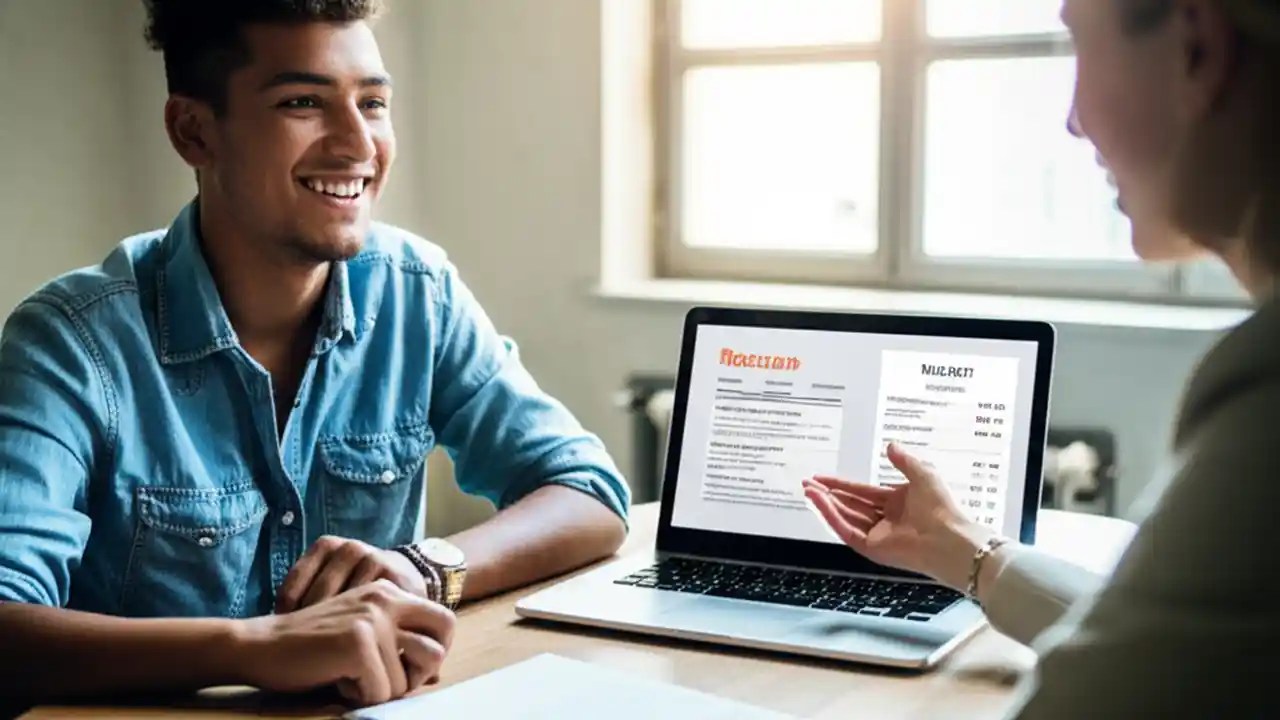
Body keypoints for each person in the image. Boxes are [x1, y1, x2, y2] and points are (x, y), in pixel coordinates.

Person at [0, 0, 630, 711]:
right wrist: (257, 646)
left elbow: (588, 493)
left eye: (373, 102)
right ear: (193, 131)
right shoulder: (70, 343)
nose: (357, 143)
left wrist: (419, 569)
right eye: (303, 102)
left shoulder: (415, 292)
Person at [803, 0, 1280, 716]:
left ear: (1198, 48)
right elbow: (1167, 649)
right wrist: (968, 552)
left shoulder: (1263, 403)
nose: (1074, 121)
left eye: (1078, 46)